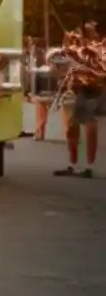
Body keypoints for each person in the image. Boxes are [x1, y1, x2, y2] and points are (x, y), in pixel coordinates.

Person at [54, 23, 101, 179]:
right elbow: (65, 53)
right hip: (75, 90)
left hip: (92, 91)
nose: (86, 34)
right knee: (71, 129)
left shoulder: (99, 49)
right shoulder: (79, 49)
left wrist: (87, 70)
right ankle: (72, 164)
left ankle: (89, 166)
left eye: (90, 30)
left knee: (90, 129)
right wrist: (66, 40)